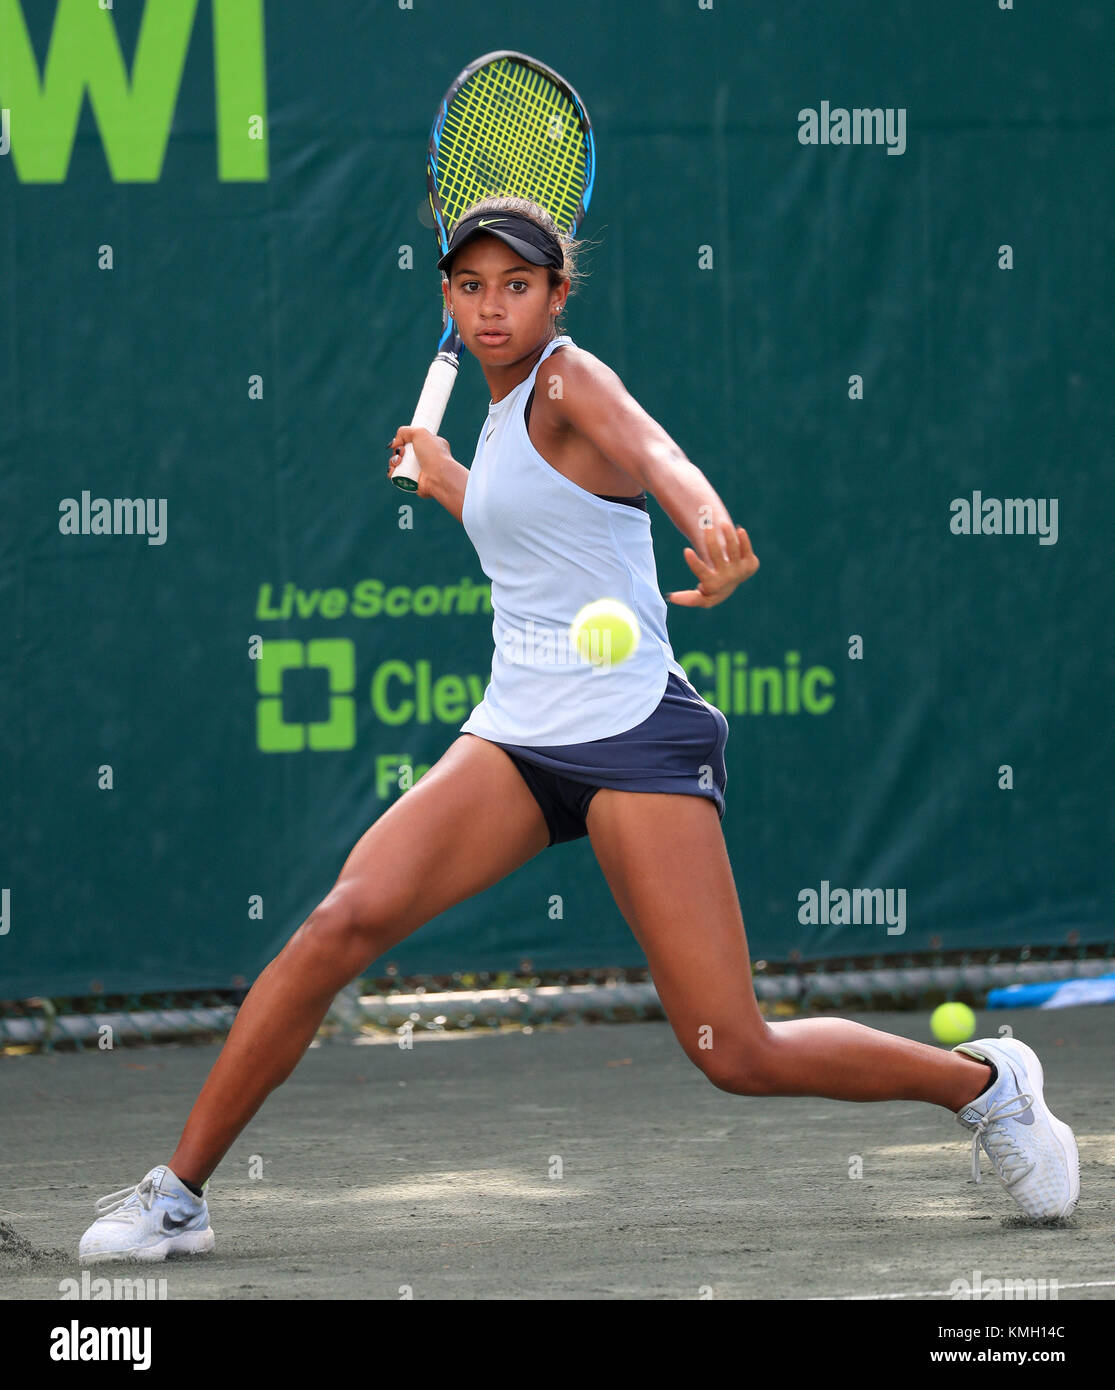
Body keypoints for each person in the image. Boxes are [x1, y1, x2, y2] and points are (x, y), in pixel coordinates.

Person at [78, 197, 1077, 1263]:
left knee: (732, 1048)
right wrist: (448, 476)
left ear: (557, 295)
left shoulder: (565, 378)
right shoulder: (500, 420)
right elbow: (530, 545)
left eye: (517, 285)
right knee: (340, 922)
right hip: (515, 735)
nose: (491, 306)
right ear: (446, 296)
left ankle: (987, 1084)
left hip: (633, 735)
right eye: (469, 285)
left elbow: (652, 453)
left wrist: (711, 532)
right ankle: (178, 1194)